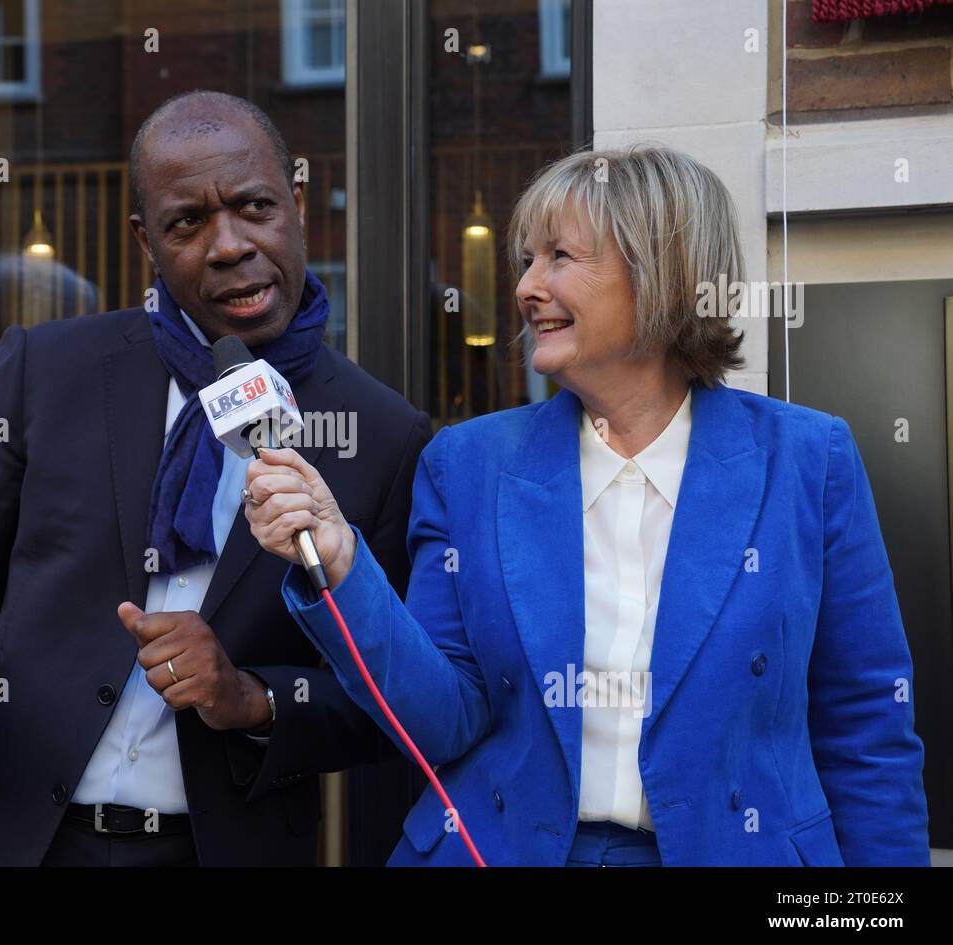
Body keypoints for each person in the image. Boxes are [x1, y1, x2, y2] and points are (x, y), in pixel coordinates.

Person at [246, 145, 930, 866]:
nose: (526, 288)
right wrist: (343, 561)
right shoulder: (467, 464)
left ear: (661, 273)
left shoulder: (807, 461)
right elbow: (440, 722)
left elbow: (867, 729)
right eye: (526, 262)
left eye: (560, 257)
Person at [0, 91, 431, 866]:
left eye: (254, 207)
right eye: (189, 223)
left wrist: (250, 698)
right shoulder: (47, 372)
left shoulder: (381, 434)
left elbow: (386, 700)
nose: (229, 245)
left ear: (298, 203)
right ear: (147, 240)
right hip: (7, 838)